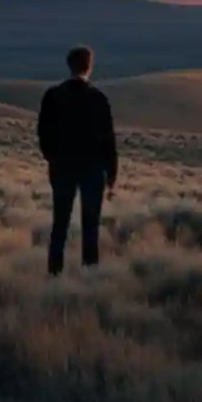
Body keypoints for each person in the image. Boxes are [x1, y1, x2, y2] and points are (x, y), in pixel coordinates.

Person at [37, 45, 118, 275]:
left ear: (69, 65)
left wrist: (52, 158)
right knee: (90, 226)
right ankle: (89, 276)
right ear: (89, 66)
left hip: (62, 168)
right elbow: (108, 140)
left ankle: (54, 274)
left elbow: (43, 132)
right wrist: (112, 173)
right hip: (93, 170)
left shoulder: (53, 95)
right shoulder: (98, 98)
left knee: (59, 224)